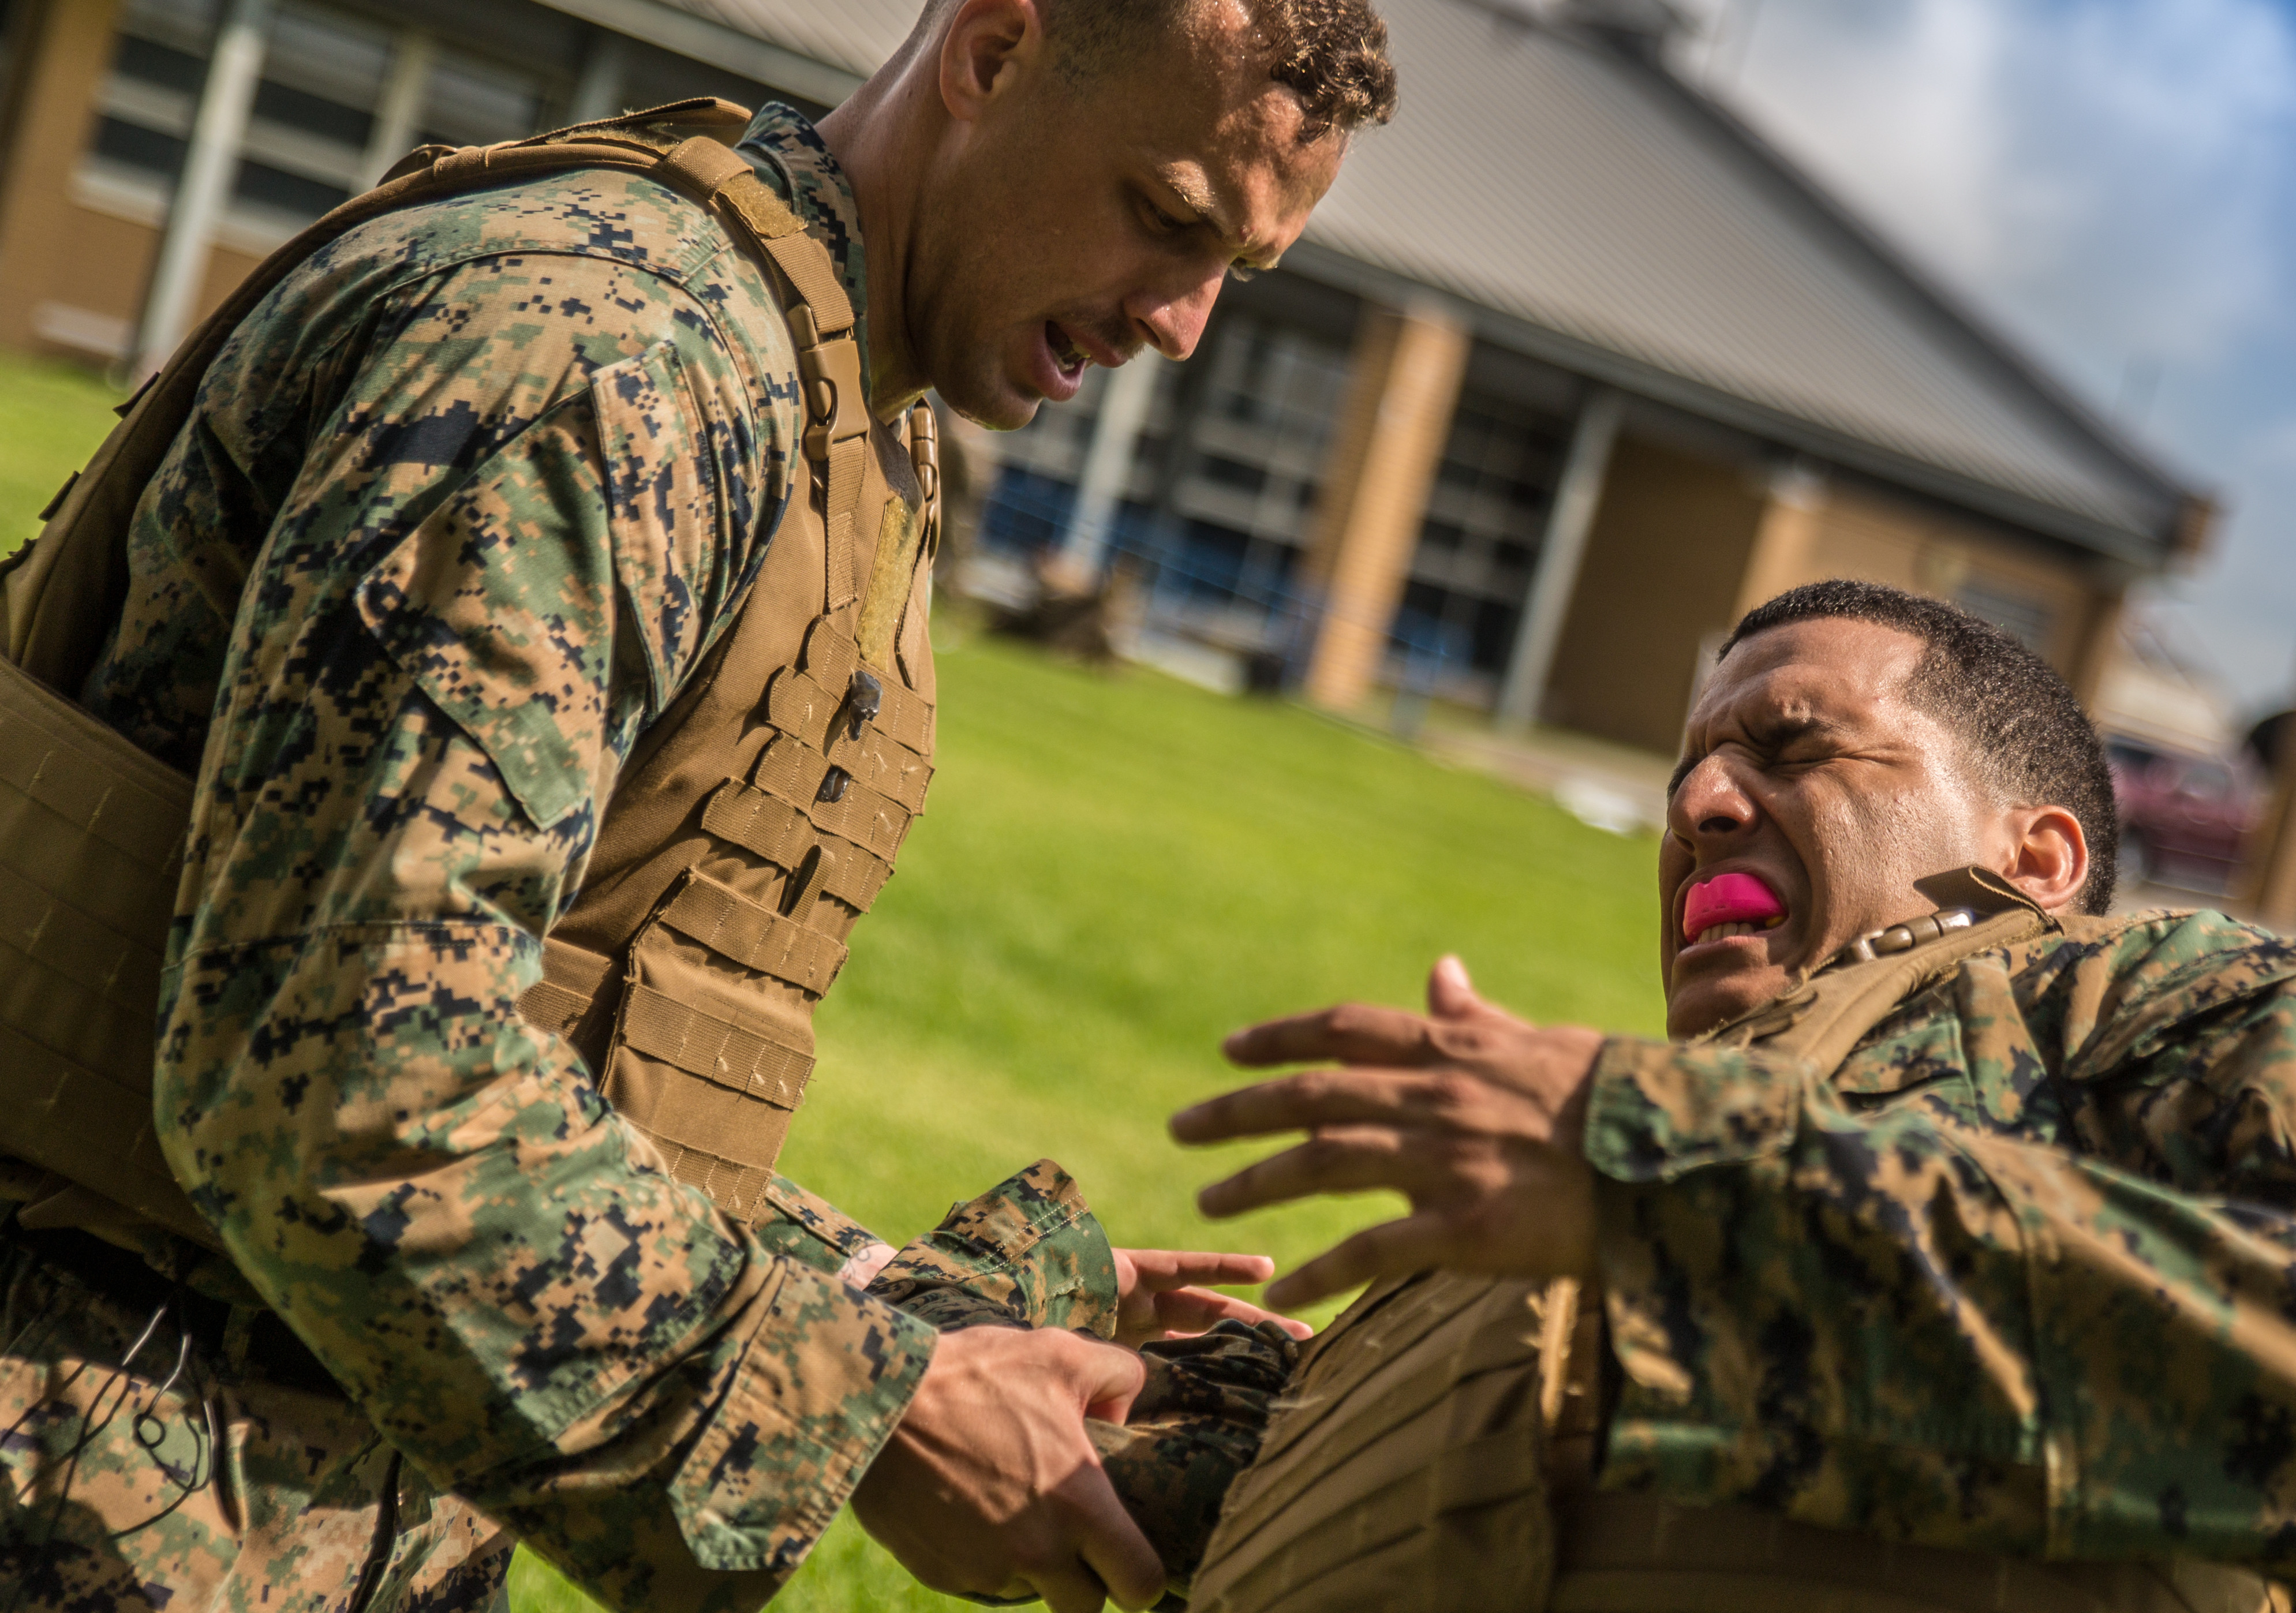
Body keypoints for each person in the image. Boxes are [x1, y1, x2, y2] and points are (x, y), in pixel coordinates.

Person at [0, 3, 1393, 1612]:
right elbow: (341, 1057)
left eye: (1242, 267)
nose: (1186, 325)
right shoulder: (614, 365)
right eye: (1166, 217)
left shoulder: (837, 393)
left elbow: (532, 1027)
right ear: (994, 51)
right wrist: (864, 1412)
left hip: (268, 1479)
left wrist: (890, 1310)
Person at [1166, 579, 2296, 1610]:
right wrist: (1065, 1377)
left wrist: (1676, 1184)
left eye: (1795, 748)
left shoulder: (2137, 999)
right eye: (1683, 773)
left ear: (2036, 864)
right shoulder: (1566, 1160)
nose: (1697, 803)